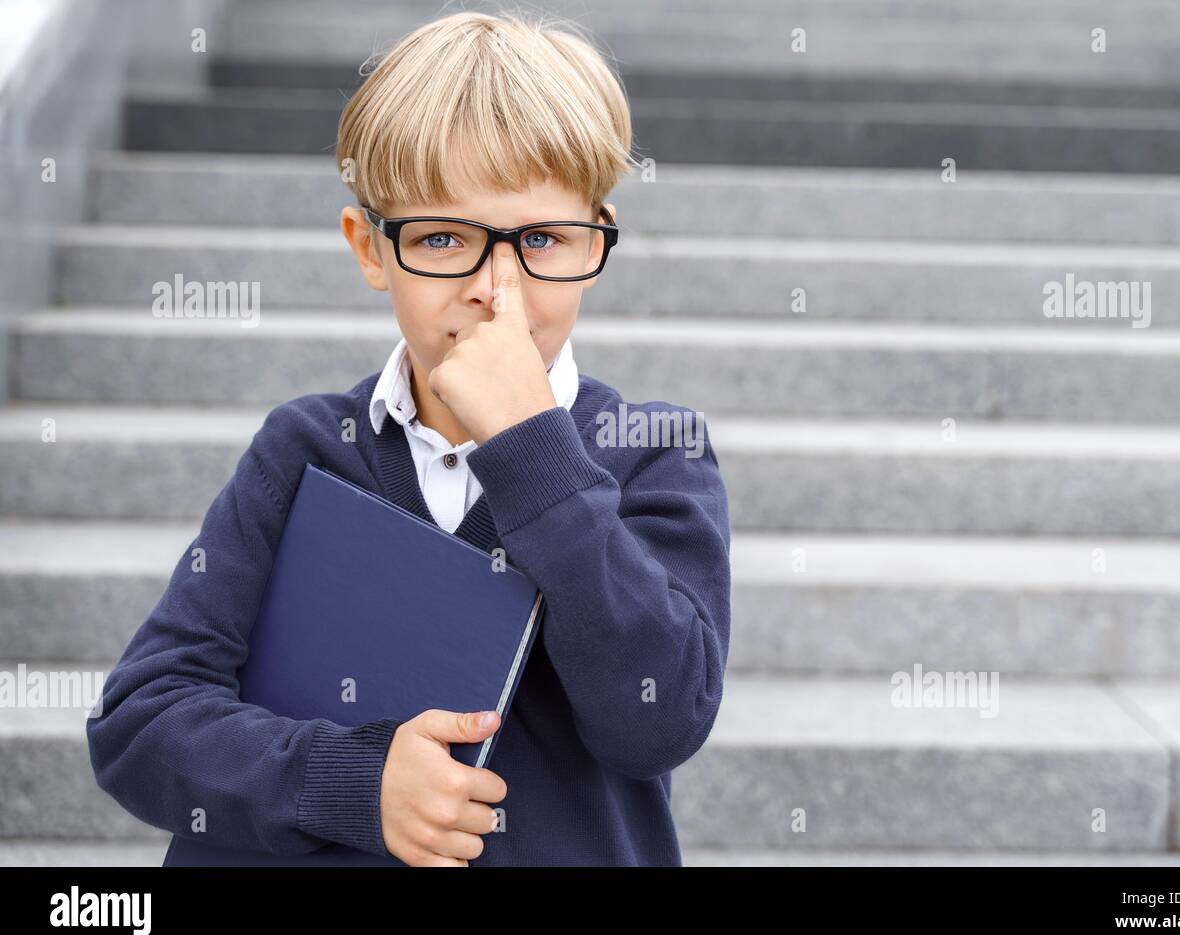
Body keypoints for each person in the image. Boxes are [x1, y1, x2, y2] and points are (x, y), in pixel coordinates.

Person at [86, 10, 731, 867]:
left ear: (598, 239)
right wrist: (347, 782)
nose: (495, 292)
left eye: (540, 239)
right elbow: (141, 721)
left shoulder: (653, 452)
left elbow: (658, 719)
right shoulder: (307, 449)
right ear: (371, 248)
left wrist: (534, 449)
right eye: (441, 239)